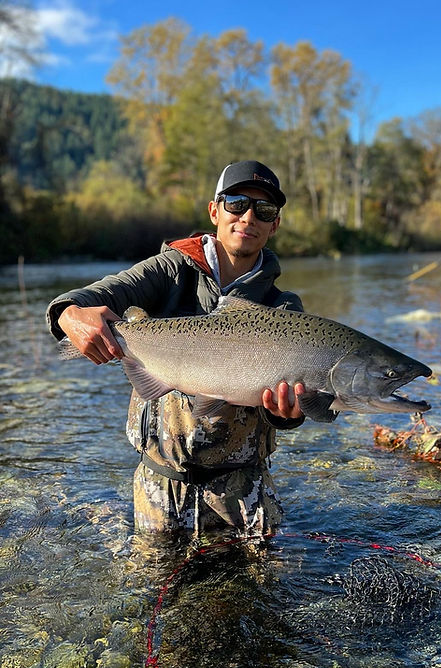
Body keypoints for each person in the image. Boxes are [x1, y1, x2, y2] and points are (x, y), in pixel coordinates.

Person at [46, 160, 306, 536]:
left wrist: (287, 414)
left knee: (257, 592)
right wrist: (70, 315)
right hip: (161, 485)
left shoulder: (283, 308)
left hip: (245, 490)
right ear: (214, 211)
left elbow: (289, 415)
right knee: (150, 590)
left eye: (263, 210)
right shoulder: (169, 270)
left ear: (274, 224)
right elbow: (87, 298)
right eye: (236, 204)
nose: (248, 217)